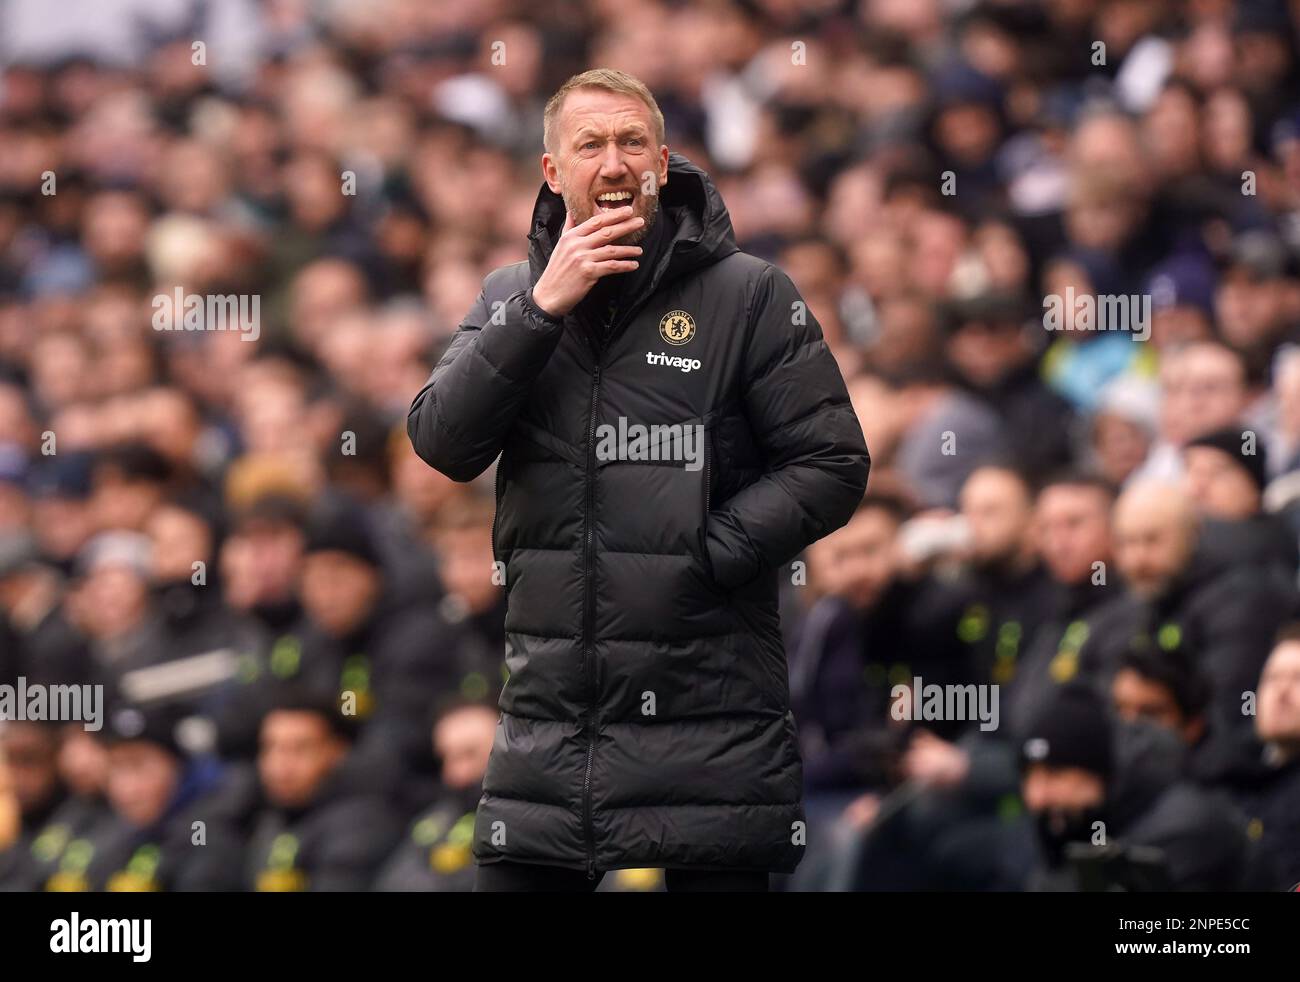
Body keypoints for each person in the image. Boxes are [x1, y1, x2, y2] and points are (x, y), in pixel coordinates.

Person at [407, 68, 869, 891]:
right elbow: (442, 442)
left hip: (710, 712)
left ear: (662, 160)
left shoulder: (749, 295)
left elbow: (831, 461)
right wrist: (541, 313)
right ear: (553, 171)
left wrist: (707, 553)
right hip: (553, 724)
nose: (614, 163)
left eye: (632, 143)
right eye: (591, 145)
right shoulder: (511, 296)